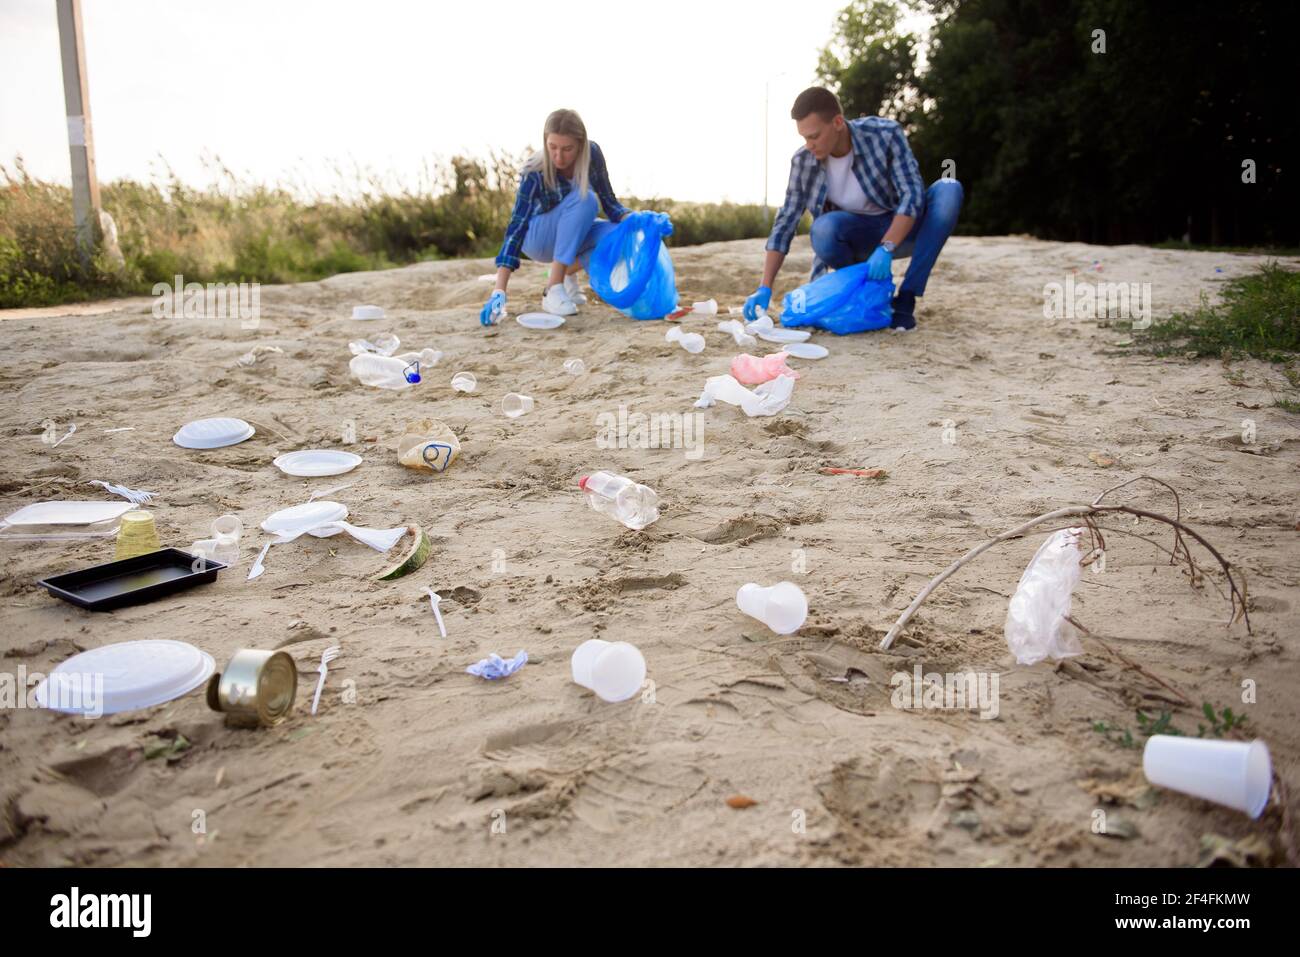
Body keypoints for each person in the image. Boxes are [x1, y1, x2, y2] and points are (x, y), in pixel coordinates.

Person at [744, 87, 963, 332]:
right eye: (804, 138)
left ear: (837, 122)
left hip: (903, 230)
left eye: (814, 136)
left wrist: (887, 246)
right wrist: (765, 286)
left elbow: (911, 194)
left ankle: (906, 298)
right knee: (823, 228)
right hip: (858, 237)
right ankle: (860, 291)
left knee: (949, 189)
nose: (810, 145)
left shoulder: (885, 134)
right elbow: (786, 221)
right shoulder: (803, 161)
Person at [480, 109, 631, 324]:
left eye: (567, 149)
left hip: (571, 232)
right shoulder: (534, 171)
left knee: (620, 234)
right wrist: (499, 291)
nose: (559, 156)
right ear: (545, 142)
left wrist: (635, 220)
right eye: (552, 147)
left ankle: (564, 275)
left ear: (580, 145)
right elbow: (516, 228)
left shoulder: (592, 155)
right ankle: (554, 287)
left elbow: (610, 203)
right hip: (537, 238)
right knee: (585, 199)